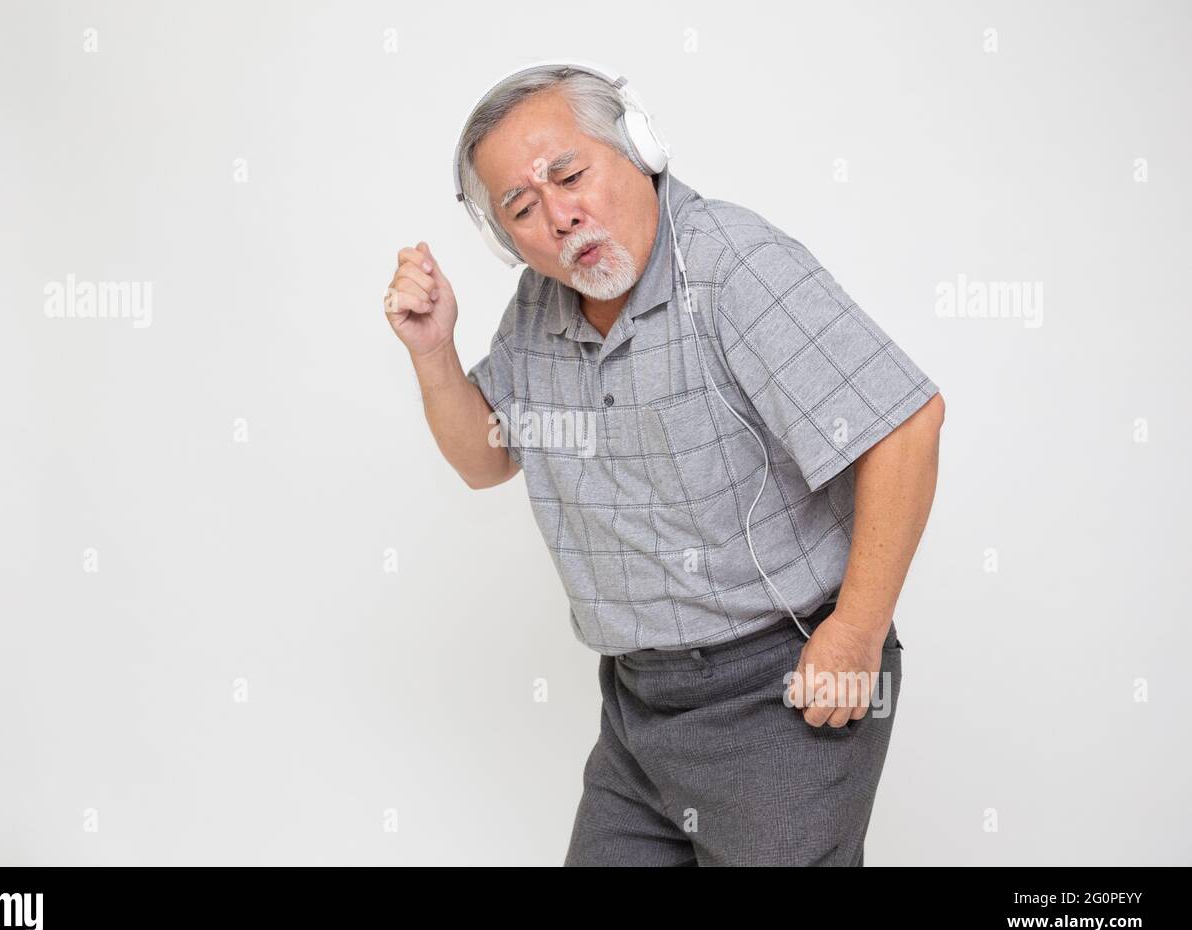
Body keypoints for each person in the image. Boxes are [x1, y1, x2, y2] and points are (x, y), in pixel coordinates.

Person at [382, 64, 944, 866]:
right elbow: (486, 459)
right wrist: (435, 352)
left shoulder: (736, 268)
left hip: (779, 687)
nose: (560, 215)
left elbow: (907, 425)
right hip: (639, 707)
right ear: (503, 240)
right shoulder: (541, 306)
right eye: (522, 207)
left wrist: (853, 636)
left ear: (640, 146)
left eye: (569, 174)